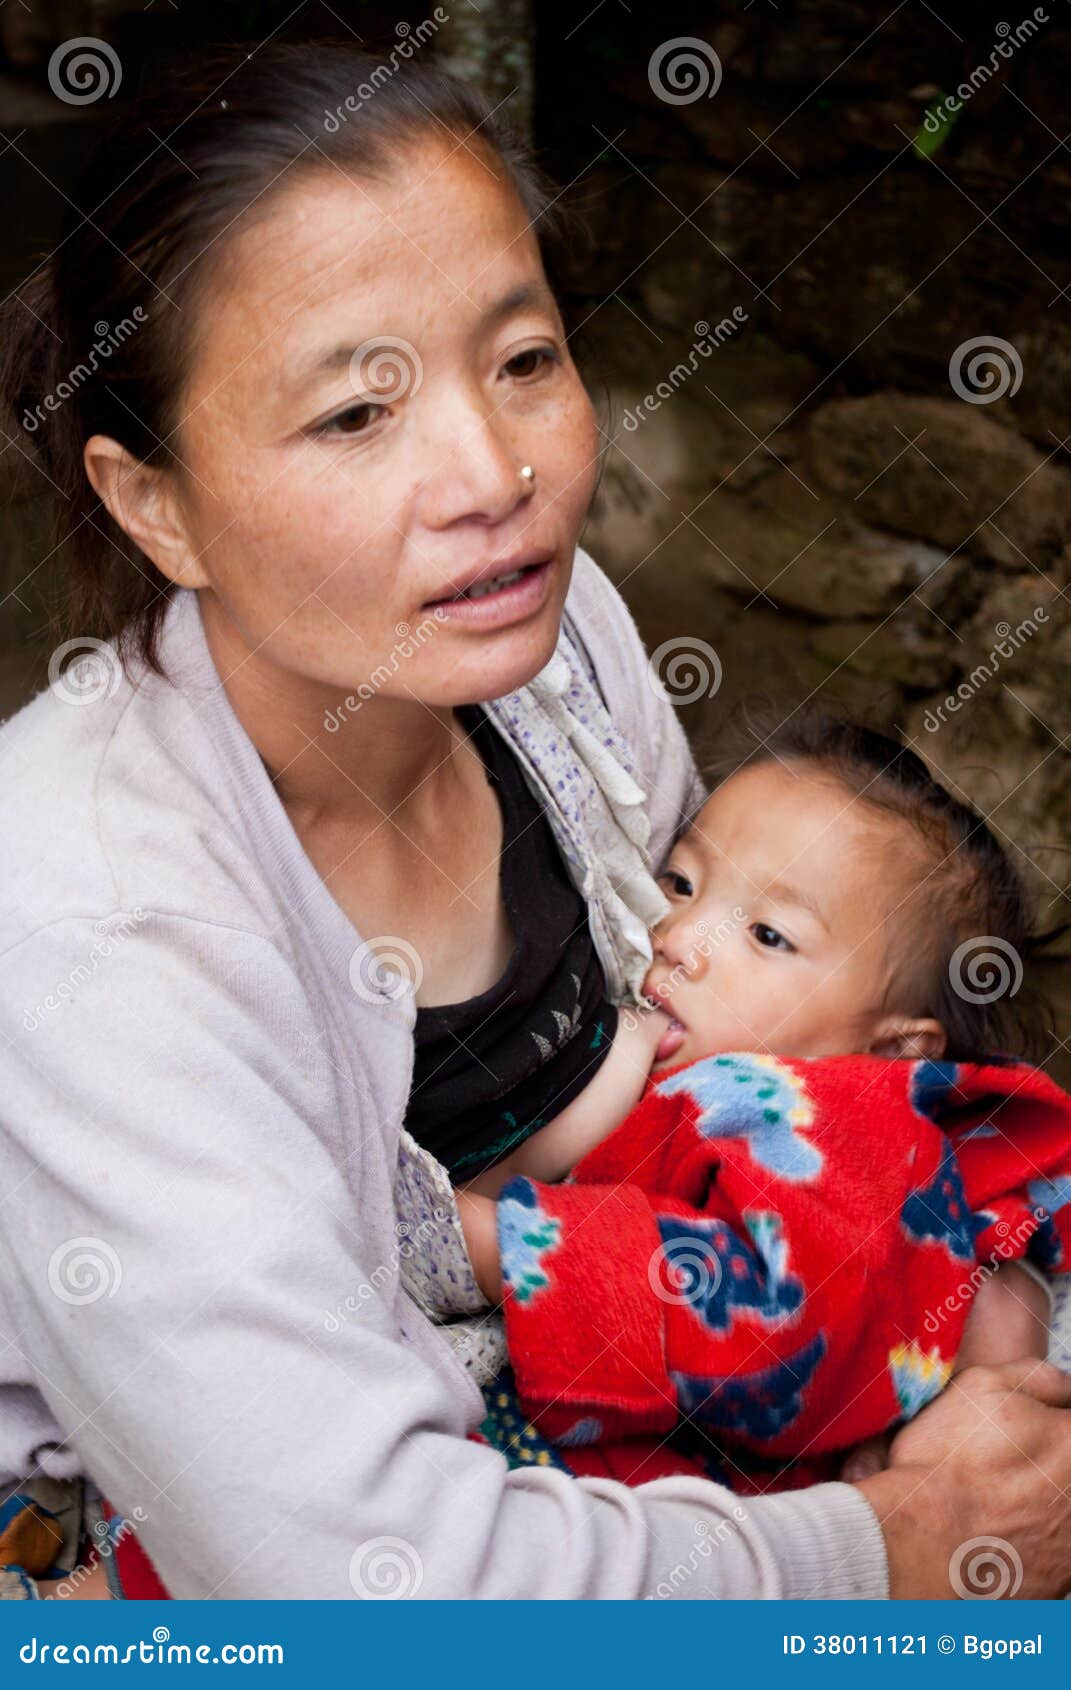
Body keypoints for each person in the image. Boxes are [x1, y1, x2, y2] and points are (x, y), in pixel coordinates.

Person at [2, 41, 1071, 1601]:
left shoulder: (543, 651)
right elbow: (359, 1578)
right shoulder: (89, 919)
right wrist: (898, 1540)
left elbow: (772, 1078)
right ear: (153, 502)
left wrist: (969, 1340)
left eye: (520, 359)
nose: (493, 473)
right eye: (355, 413)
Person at [452, 715, 1071, 1488]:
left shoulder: (834, 1115)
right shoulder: (652, 1054)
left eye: (768, 936)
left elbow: (784, 1324)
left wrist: (499, 1245)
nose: (679, 936)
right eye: (680, 882)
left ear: (891, 1050)